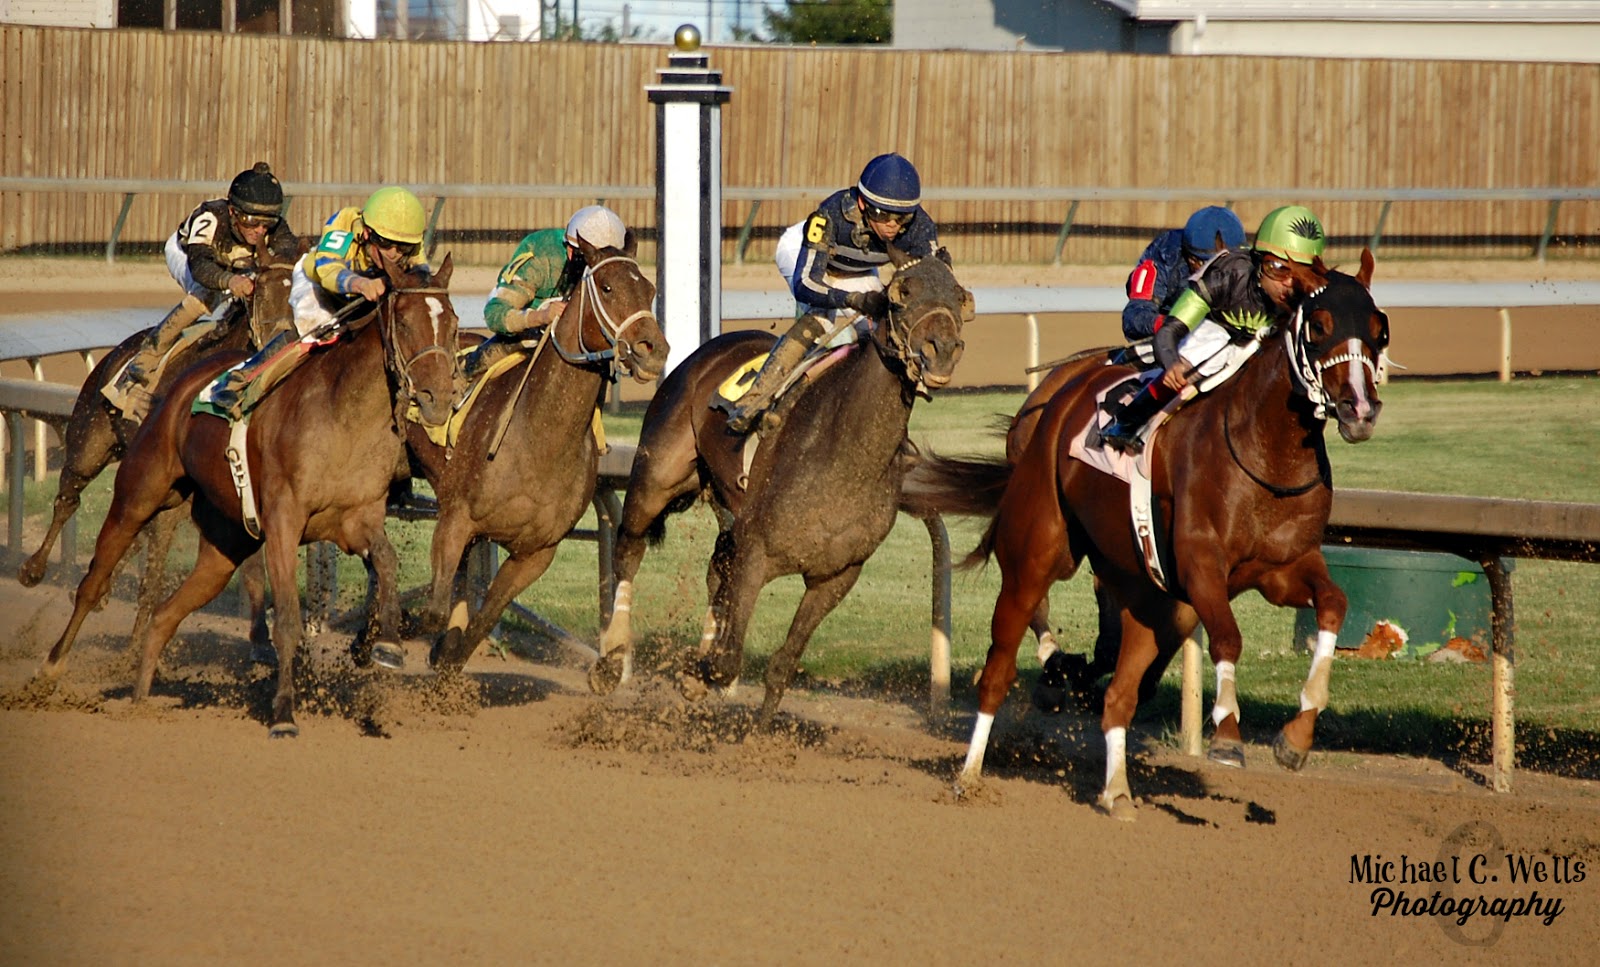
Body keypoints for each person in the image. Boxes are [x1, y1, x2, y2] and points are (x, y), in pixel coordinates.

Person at [722, 152, 941, 434]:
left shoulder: (920, 227)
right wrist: (851, 299)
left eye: (902, 218)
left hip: (859, 270)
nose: (893, 226)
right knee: (821, 321)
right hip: (805, 257)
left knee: (878, 333)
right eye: (882, 215)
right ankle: (755, 402)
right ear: (862, 204)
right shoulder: (830, 215)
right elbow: (806, 283)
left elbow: (932, 280)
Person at [1100, 204, 1328, 453]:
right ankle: (1126, 423)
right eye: (1205, 264)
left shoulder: (1249, 272)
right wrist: (1176, 330)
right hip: (1180, 329)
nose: (1216, 268)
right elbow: (1134, 318)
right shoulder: (1163, 259)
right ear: (1190, 258)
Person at [208, 185, 432, 419]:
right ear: (367, 233)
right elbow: (328, 270)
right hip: (317, 281)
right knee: (311, 328)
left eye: (403, 247)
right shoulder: (345, 222)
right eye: (386, 244)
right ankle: (239, 380)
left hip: (368, 287)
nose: (394, 253)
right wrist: (361, 285)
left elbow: (421, 284)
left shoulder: (410, 240)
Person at [106, 161, 298, 422]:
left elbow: (284, 265)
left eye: (268, 223)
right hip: (188, 254)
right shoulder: (210, 217)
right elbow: (201, 268)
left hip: (237, 264)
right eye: (251, 221)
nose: (260, 230)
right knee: (205, 295)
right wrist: (230, 281)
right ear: (232, 211)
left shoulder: (277, 229)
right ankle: (142, 365)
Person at [460, 205, 629, 381]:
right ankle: (462, 379)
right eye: (585, 260)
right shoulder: (542, 255)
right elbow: (495, 314)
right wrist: (541, 316)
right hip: (526, 334)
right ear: (571, 250)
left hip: (572, 343)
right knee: (514, 345)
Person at [1121, 205, 1245, 341]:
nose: (1219, 274)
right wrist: (1171, 325)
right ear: (1192, 259)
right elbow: (1134, 317)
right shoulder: (1164, 256)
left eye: (1227, 264)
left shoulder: (1248, 263)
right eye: (1209, 265)